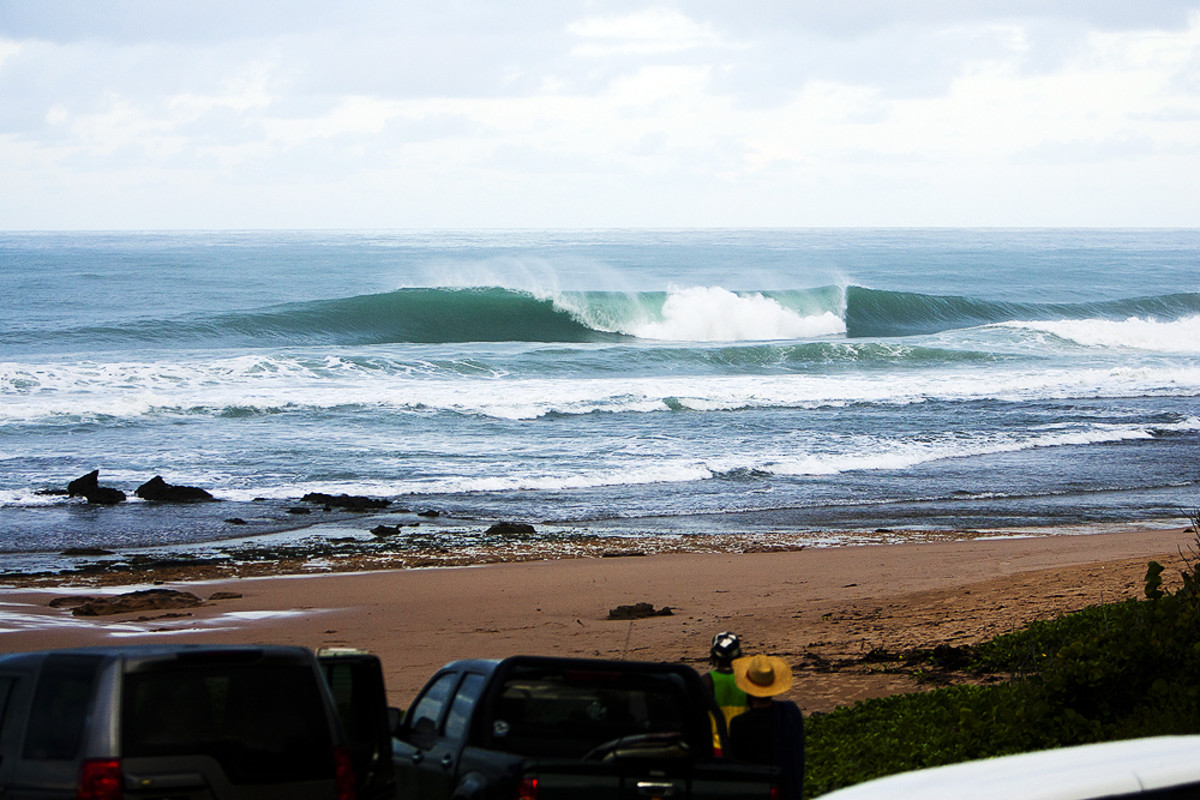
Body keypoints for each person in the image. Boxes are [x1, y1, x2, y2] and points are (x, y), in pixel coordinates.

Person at [728, 654, 805, 800]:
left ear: (748, 688)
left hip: (756, 790)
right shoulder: (790, 712)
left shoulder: (740, 723)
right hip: (786, 789)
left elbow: (737, 765)